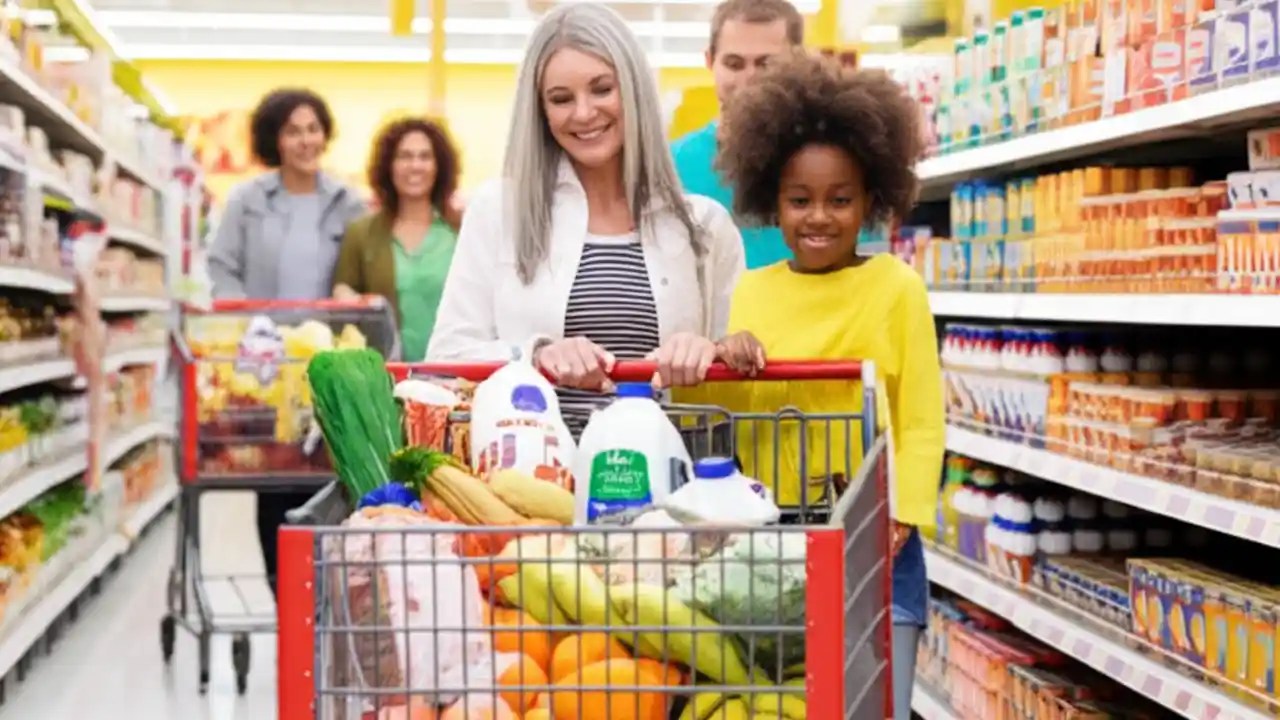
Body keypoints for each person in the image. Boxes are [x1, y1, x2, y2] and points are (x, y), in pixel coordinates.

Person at [712, 53, 942, 720]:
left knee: (876, 705)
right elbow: (735, 416)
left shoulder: (897, 287)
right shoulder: (752, 291)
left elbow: (922, 415)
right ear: (770, 199)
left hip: (878, 538)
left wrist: (904, 512)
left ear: (872, 197)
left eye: (841, 199)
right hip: (773, 539)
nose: (820, 217)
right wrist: (729, 358)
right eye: (799, 199)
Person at [427, 3, 745, 431]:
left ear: (632, 89)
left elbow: (743, 363)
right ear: (540, 111)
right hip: (530, 482)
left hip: (670, 478)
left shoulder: (704, 225)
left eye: (601, 89)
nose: (583, 112)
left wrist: (709, 350)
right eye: (561, 99)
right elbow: (447, 356)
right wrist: (535, 355)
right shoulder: (498, 212)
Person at [206, 87, 365, 595]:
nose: (305, 140)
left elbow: (360, 273)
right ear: (275, 138)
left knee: (329, 478)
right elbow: (222, 267)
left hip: (327, 369)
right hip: (265, 368)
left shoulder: (347, 203)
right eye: (293, 130)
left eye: (313, 128)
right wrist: (246, 322)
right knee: (276, 483)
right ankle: (285, 600)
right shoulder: (248, 202)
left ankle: (323, 612)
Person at [671, 0, 803, 269]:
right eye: (734, 64)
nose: (749, 79)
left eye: (767, 64)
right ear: (710, 61)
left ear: (797, 62)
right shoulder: (671, 165)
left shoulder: (827, 163)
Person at [333, 117, 462, 360]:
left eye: (425, 157)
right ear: (388, 165)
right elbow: (343, 288)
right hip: (387, 377)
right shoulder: (361, 233)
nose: (415, 165)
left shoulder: (461, 230)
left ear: (439, 166)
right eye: (404, 156)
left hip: (454, 374)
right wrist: (351, 299)